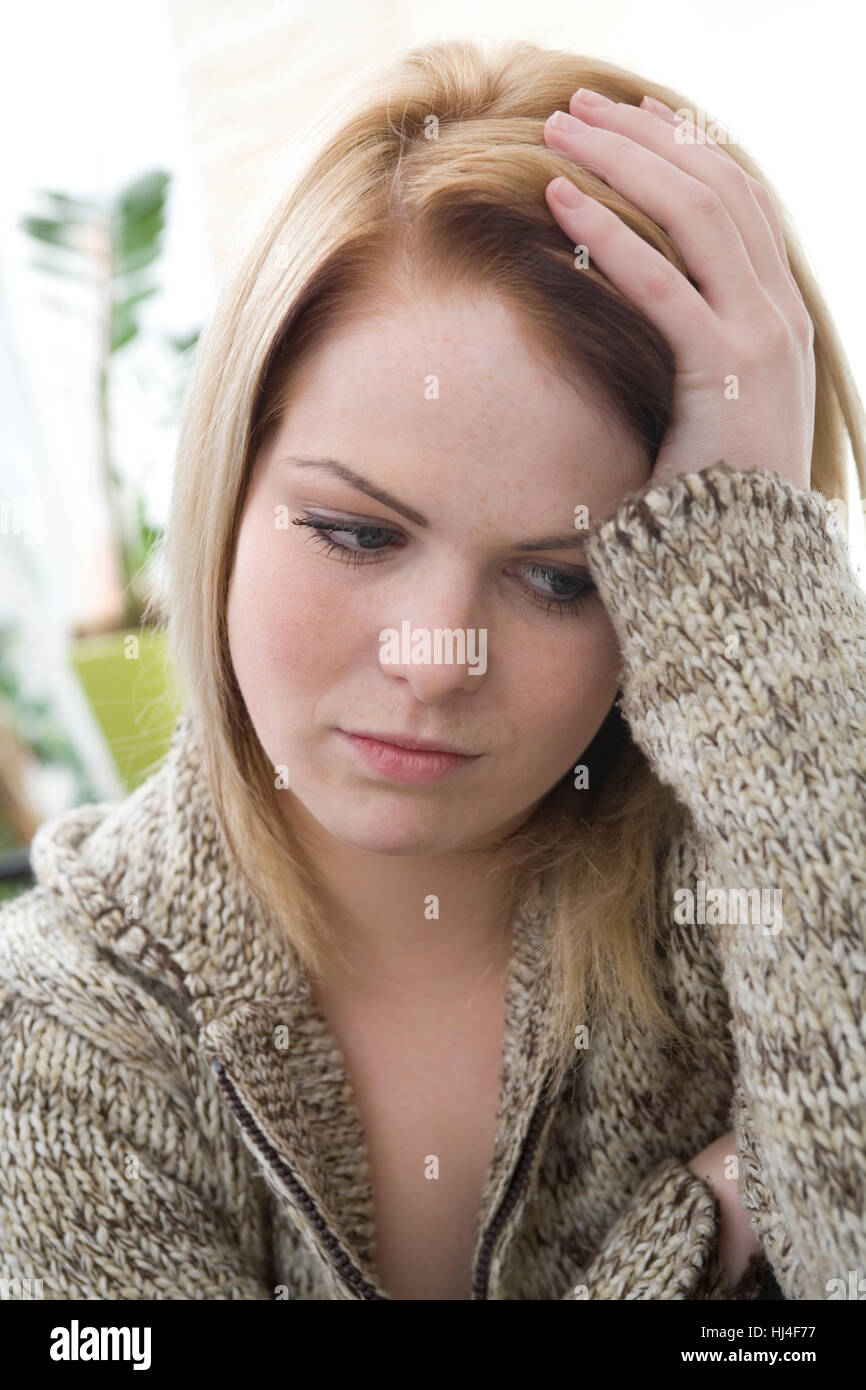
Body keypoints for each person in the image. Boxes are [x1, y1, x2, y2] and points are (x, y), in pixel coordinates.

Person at [1, 37, 864, 1302]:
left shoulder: (777, 896)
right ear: (228, 485)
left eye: (561, 578)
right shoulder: (58, 1025)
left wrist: (748, 558)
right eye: (356, 533)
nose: (434, 660)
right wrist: (681, 1245)